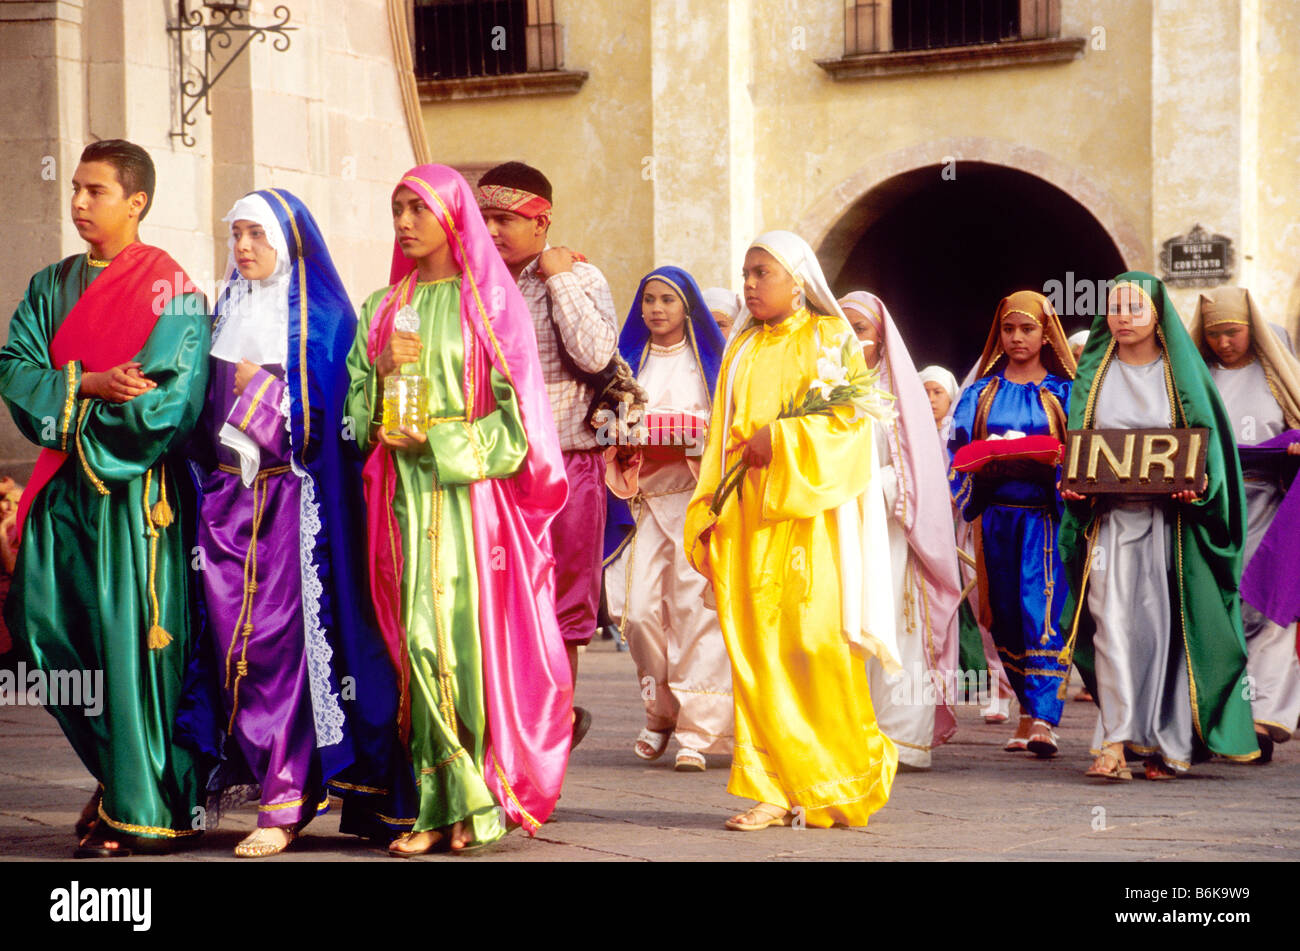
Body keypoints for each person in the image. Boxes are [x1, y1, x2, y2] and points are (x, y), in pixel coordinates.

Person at [179, 189, 416, 856]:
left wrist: (257, 388)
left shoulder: (327, 320)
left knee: (282, 647)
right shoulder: (222, 310)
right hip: (225, 504)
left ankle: (286, 799)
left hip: (292, 505)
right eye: (237, 235)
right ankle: (265, 778)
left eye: (258, 234)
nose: (245, 247)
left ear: (288, 243)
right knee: (234, 650)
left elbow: (332, 425)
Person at [345, 164, 572, 854]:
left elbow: (522, 421)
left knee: (460, 645)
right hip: (401, 501)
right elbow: (355, 413)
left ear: (451, 216)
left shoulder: (491, 305)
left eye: (418, 208)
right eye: (397, 210)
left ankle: (474, 798)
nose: (406, 223)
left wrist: (443, 439)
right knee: (415, 646)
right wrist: (381, 389)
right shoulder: (384, 307)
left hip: (472, 504)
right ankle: (438, 801)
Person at [0, 140, 209, 857]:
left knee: (131, 650)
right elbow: (15, 367)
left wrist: (79, 409)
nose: (80, 202)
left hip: (137, 498)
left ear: (136, 202)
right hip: (60, 490)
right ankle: (120, 773)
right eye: (77, 189)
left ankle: (141, 804)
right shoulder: (48, 285)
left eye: (96, 191)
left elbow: (169, 401)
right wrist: (85, 384)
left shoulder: (173, 291)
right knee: (45, 633)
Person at [684, 231, 898, 830]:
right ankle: (773, 787)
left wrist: (780, 438)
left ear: (798, 279)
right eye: (745, 274)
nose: (749, 285)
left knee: (813, 643)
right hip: (747, 517)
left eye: (761, 273)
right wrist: (710, 509)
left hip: (808, 521)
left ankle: (839, 775)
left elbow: (851, 429)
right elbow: (718, 437)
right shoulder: (742, 347)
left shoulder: (830, 338)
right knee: (755, 651)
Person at [1059, 272, 1259, 781]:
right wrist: (1074, 487)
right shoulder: (1094, 374)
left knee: (1164, 631)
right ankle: (1114, 741)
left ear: (1156, 314)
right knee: (1111, 626)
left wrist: (1200, 489)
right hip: (1108, 524)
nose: (1122, 317)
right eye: (1115, 307)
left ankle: (1169, 742)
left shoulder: (1183, 375)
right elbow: (1080, 449)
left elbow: (1209, 452)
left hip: (1170, 527)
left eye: (1134, 307)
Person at [478, 162, 617, 745]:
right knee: (495, 605)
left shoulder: (581, 277)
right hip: (492, 467)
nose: (491, 230)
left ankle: (550, 734)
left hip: (566, 465)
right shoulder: (470, 284)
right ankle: (503, 732)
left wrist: (558, 279)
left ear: (542, 222)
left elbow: (594, 355)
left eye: (505, 218)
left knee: (564, 610)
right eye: (483, 218)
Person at [604, 266, 733, 772]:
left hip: (693, 502)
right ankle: (661, 711)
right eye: (649, 301)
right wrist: (622, 432)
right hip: (641, 504)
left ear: (687, 308)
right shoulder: (625, 364)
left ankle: (697, 734)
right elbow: (605, 421)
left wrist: (692, 435)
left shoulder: (712, 365)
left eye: (667, 301)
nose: (656, 309)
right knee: (635, 614)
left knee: (693, 611)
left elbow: (726, 428)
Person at [948, 291, 1076, 758]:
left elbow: (1080, 453)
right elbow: (957, 451)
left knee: (1038, 608)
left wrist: (1055, 474)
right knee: (1002, 615)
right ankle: (1026, 710)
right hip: (996, 517)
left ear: (1047, 334)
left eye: (1027, 329)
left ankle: (1045, 719)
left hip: (1043, 517)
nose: (1017, 338)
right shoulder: (982, 393)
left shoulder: (1065, 392)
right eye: (1009, 329)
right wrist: (975, 474)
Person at [841, 292, 961, 770]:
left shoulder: (900, 396)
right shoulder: (822, 389)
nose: (852, 338)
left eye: (861, 330)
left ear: (880, 336)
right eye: (843, 328)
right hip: (835, 526)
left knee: (892, 625)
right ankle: (847, 734)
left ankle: (899, 739)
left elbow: (918, 470)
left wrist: (868, 487)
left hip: (888, 528)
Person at [1189, 286, 1300, 761]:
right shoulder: (1198, 376)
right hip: (1212, 508)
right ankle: (1213, 715)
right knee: (1215, 607)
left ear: (1251, 329)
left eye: (1232, 332)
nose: (1223, 343)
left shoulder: (1280, 376)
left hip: (1268, 505)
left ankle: (1261, 716)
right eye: (1213, 335)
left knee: (1269, 604)